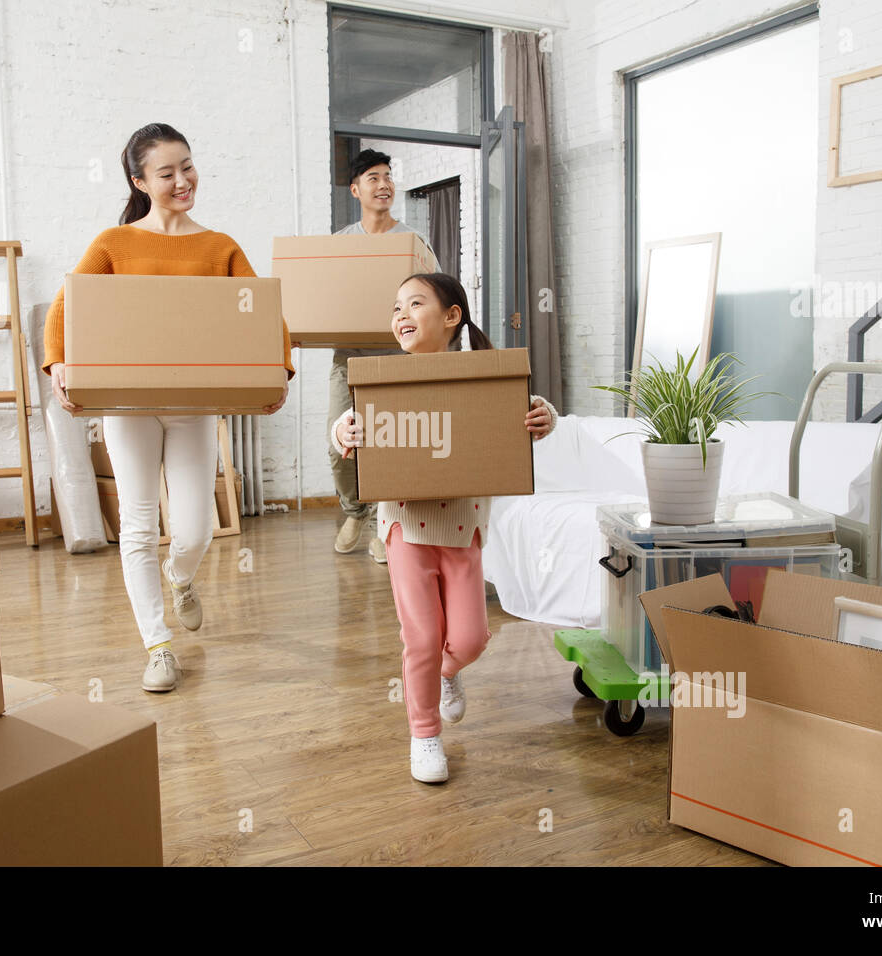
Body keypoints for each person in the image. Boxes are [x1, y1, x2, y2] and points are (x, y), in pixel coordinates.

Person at [42, 122, 294, 694]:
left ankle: (181, 576)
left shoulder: (220, 247)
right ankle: (158, 646)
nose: (183, 180)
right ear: (140, 181)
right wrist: (58, 363)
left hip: (194, 404)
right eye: (167, 172)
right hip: (128, 406)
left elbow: (263, 319)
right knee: (137, 524)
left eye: (188, 166)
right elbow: (67, 307)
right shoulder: (114, 243)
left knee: (195, 528)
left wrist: (277, 368)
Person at [331, 273, 557, 783]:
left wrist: (546, 416)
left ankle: (447, 675)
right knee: (423, 639)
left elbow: (522, 413)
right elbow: (349, 423)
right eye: (396, 308)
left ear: (452, 316)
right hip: (405, 527)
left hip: (464, 527)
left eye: (415, 303)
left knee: (472, 639)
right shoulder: (386, 378)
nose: (402, 315)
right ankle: (425, 735)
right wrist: (343, 429)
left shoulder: (483, 374)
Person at [330, 148, 439, 565]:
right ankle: (354, 511)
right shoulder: (339, 244)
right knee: (338, 445)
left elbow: (437, 294)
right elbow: (322, 302)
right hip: (348, 358)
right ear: (356, 189)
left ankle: (381, 522)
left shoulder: (413, 243)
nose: (384, 184)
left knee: (389, 444)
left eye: (389, 176)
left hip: (398, 357)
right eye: (373, 177)